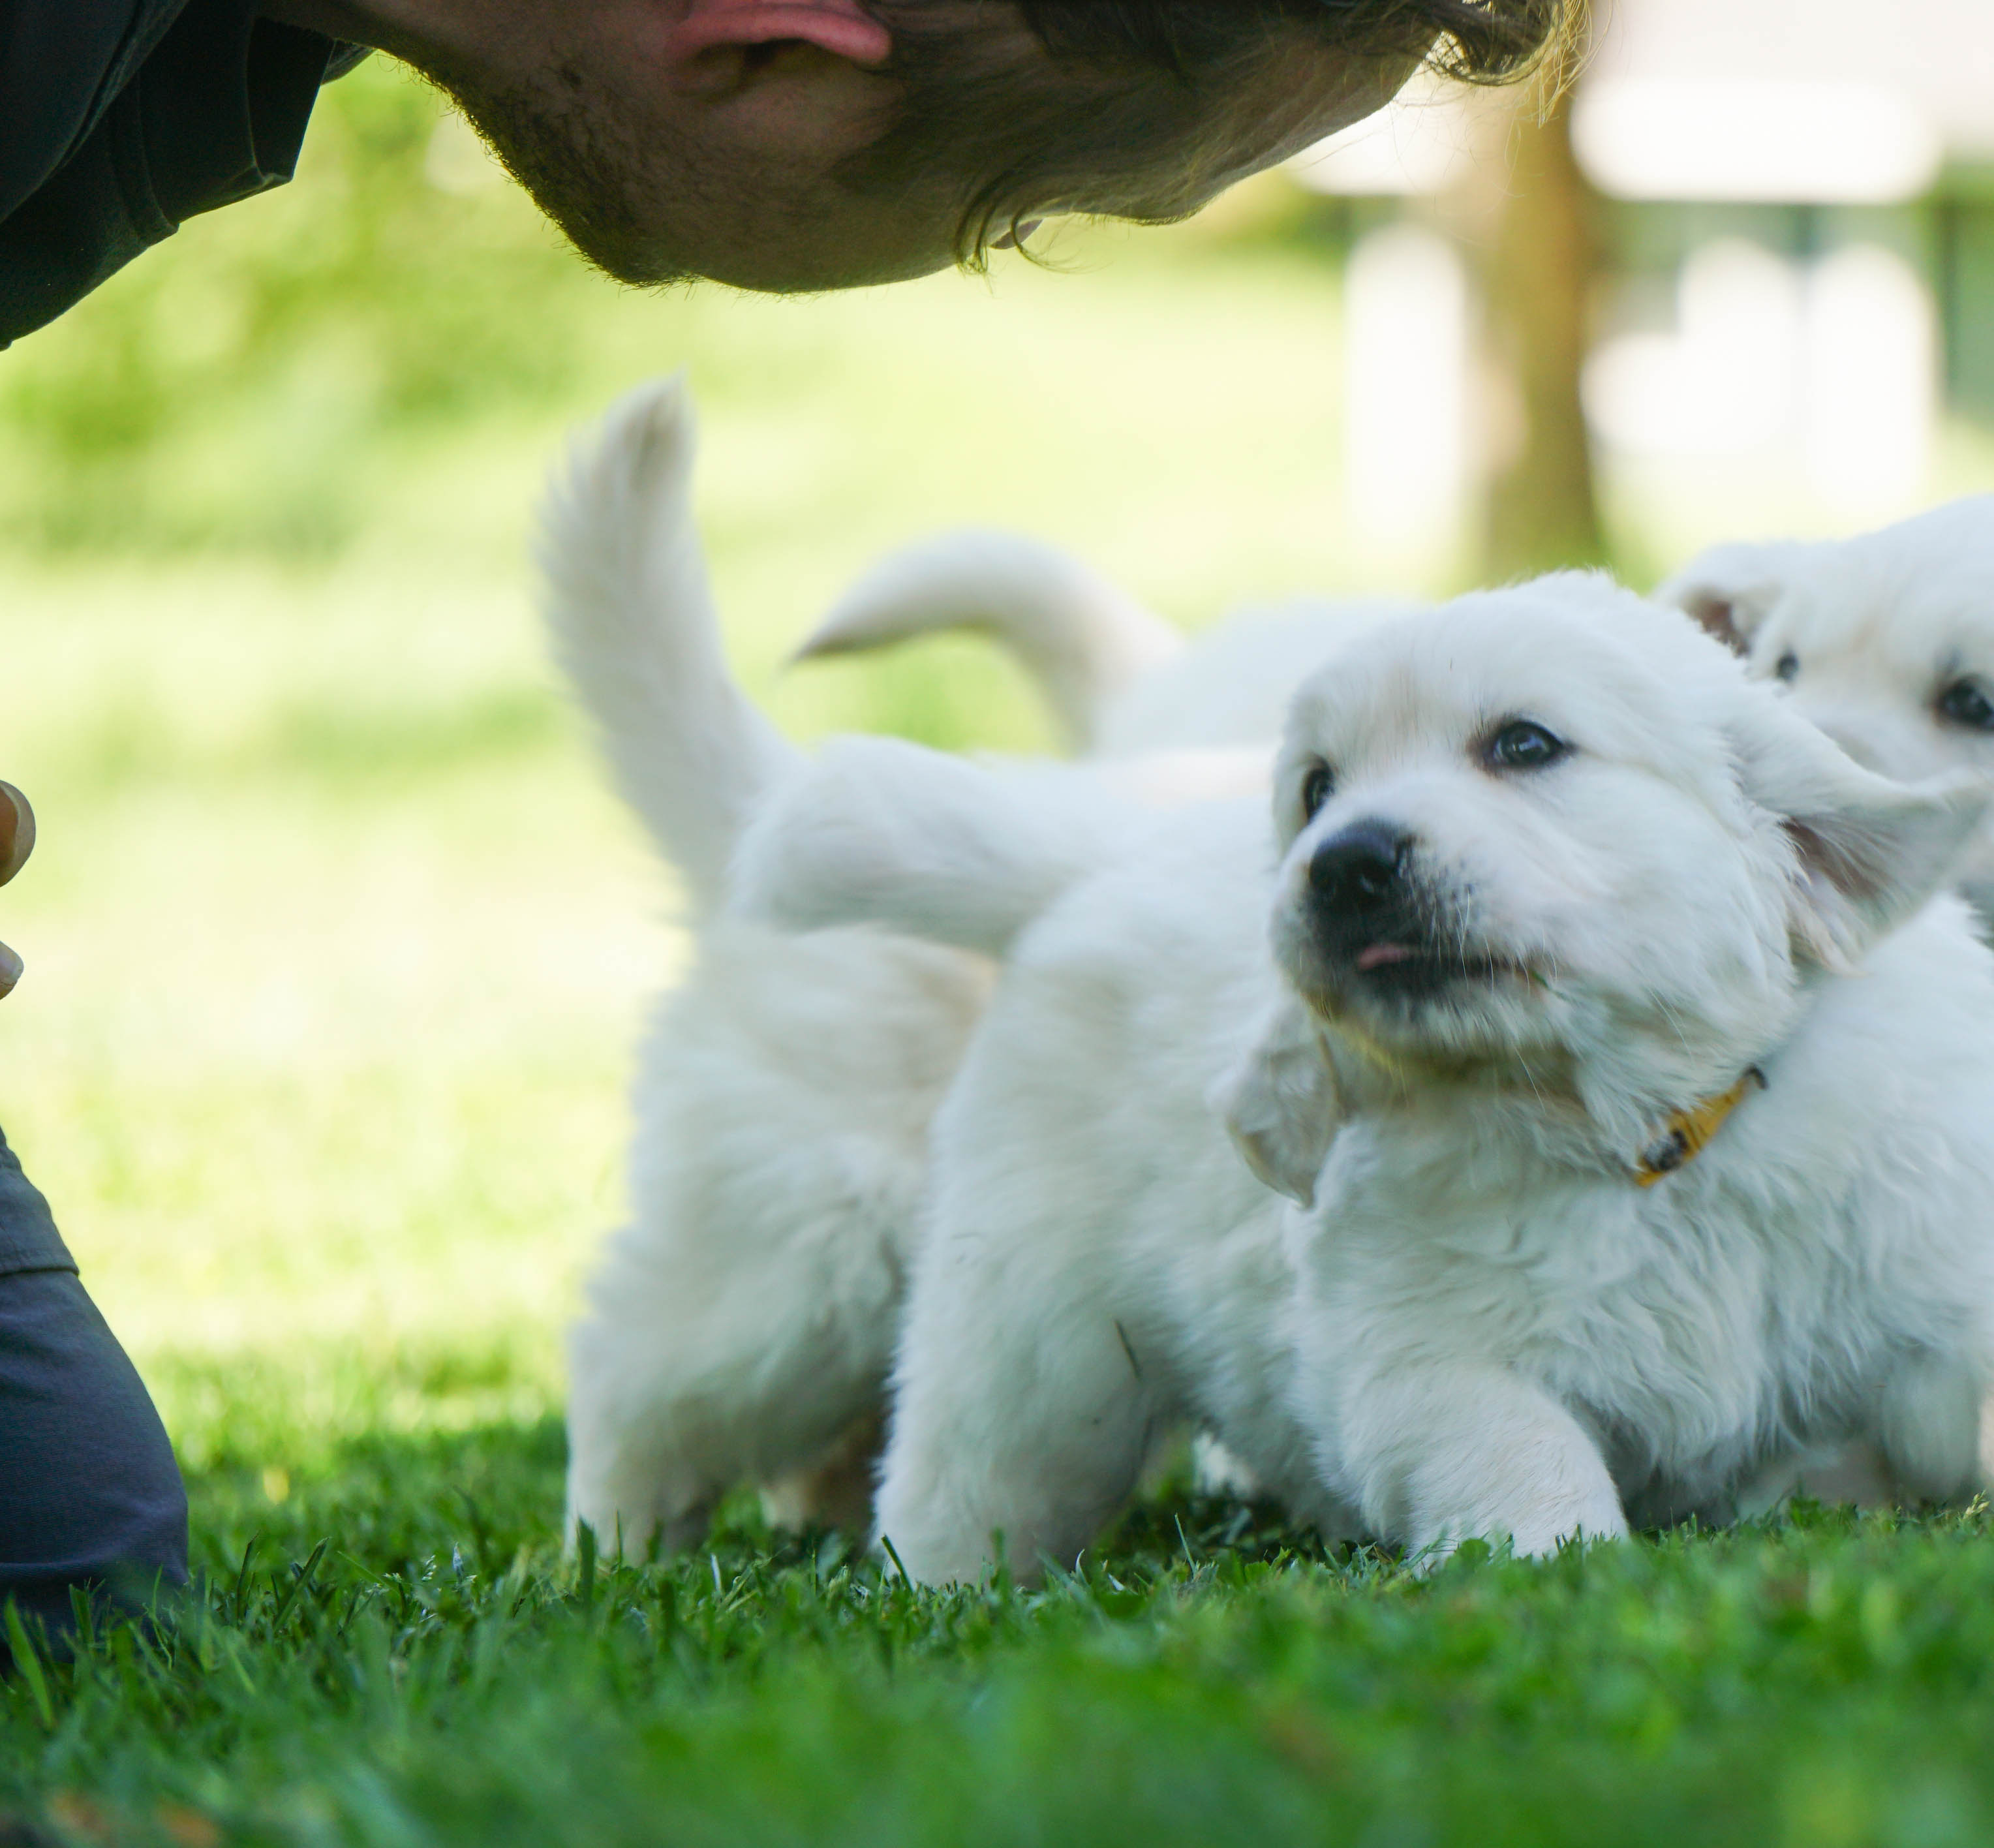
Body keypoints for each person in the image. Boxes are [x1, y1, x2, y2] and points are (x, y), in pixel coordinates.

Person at [0, 0, 1573, 1637]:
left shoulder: (245, 52)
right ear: (774, 48)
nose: (986, 256)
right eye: (1010, 217)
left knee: (76, 1580)